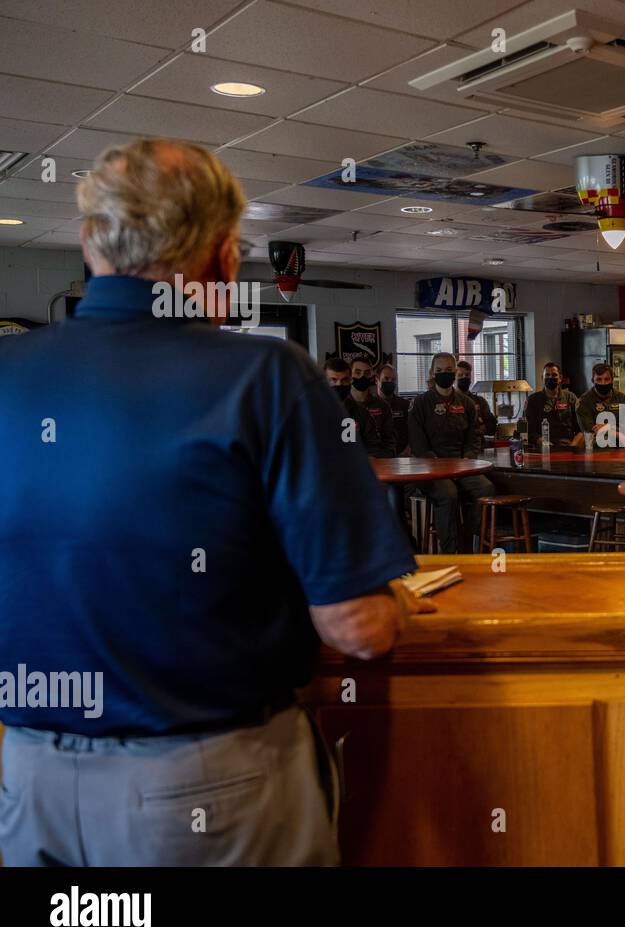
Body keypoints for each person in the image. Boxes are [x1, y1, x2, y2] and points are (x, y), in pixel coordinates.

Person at [0, 138, 414, 866]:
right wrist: (400, 601)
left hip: (27, 784)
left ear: (91, 243)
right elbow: (359, 627)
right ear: (223, 256)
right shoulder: (266, 376)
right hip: (206, 788)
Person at [408, 352, 494, 552]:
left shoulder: (466, 403)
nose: (444, 374)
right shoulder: (420, 403)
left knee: (485, 489)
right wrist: (434, 461)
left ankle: (473, 544)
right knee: (448, 494)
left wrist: (468, 458)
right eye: (439, 371)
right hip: (430, 469)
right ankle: (451, 552)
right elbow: (417, 442)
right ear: (431, 373)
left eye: (448, 370)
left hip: (461, 466)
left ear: (455, 372)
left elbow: (474, 436)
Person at [345, 357, 396, 459]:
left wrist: (375, 458)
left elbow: (390, 443)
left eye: (367, 373)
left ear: (372, 377)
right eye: (358, 373)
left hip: (377, 464)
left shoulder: (383, 406)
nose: (362, 376)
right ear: (350, 376)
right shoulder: (341, 406)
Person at [523, 361, 582, 449]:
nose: (550, 377)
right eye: (547, 375)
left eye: (554, 375)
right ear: (542, 378)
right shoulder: (533, 400)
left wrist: (573, 446)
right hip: (542, 447)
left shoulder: (571, 397)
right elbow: (528, 430)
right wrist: (541, 441)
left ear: (560, 378)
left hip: (567, 446)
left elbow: (581, 428)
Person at [576, 362, 625, 446]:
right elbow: (589, 430)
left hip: (620, 445)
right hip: (595, 447)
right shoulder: (584, 401)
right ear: (592, 381)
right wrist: (615, 429)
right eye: (599, 379)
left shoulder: (623, 399)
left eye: (607, 379)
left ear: (612, 380)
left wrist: (608, 427)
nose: (603, 383)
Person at [456, 359, 497, 444]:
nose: (464, 377)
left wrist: (480, 430)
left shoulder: (480, 401)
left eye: (467, 375)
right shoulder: (450, 400)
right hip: (455, 447)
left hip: (477, 446)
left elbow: (492, 425)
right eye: (460, 375)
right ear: (454, 377)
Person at [375, 363, 410, 456]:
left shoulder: (405, 405)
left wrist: (407, 451)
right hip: (379, 458)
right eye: (386, 378)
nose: (390, 382)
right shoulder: (369, 406)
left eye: (393, 380)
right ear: (376, 380)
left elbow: (414, 431)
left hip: (403, 457)